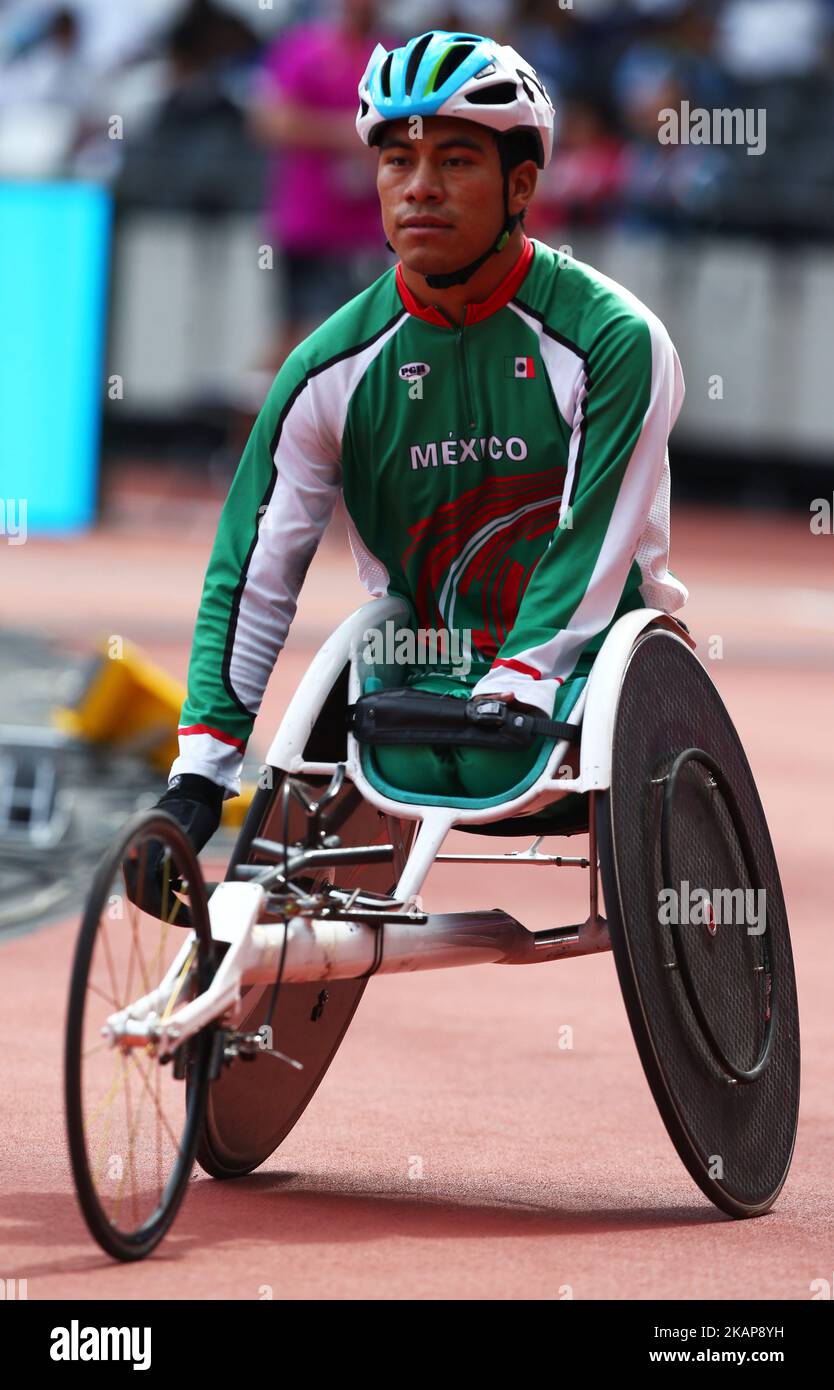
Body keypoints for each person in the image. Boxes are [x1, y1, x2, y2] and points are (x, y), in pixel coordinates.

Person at [144, 28, 687, 895]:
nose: (420, 188)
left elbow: (594, 535)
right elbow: (255, 568)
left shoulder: (614, 340)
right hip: (421, 663)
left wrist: (522, 675)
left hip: (587, 681)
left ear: (521, 185)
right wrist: (200, 775)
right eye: (397, 161)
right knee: (292, 782)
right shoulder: (328, 367)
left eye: (457, 161)